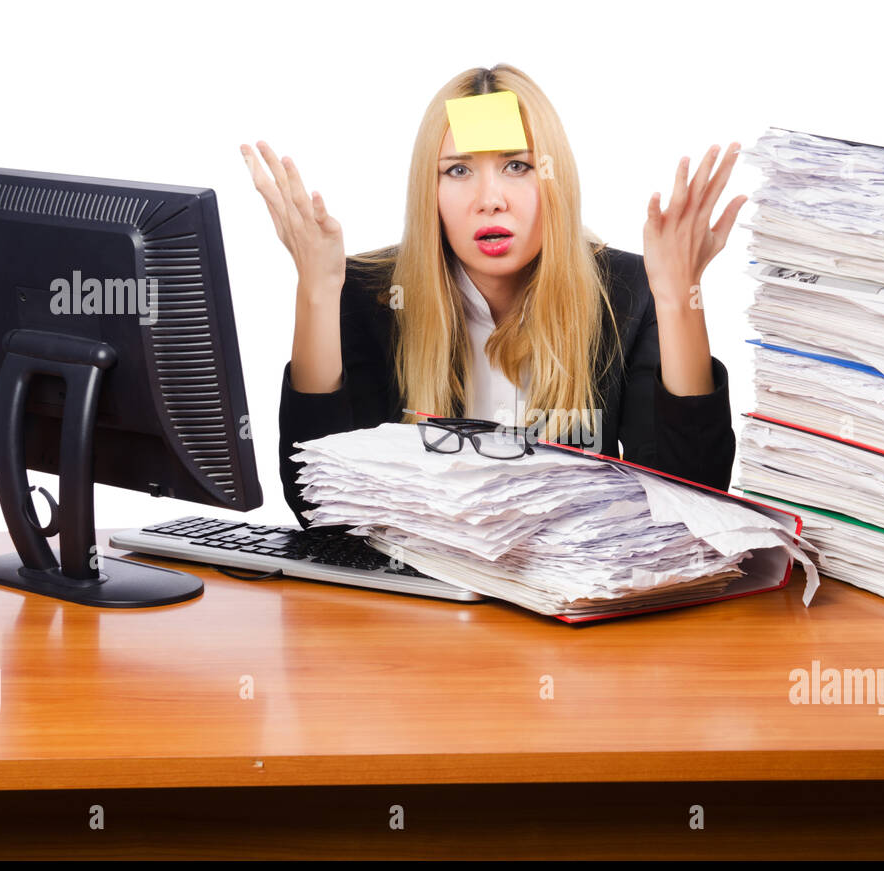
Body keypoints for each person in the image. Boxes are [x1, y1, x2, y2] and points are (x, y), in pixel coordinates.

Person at [242, 64, 748, 528]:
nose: (490, 200)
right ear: (430, 190)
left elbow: (693, 502)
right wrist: (316, 290)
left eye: (518, 166)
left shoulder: (630, 292)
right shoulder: (365, 293)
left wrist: (680, 297)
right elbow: (318, 505)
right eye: (458, 170)